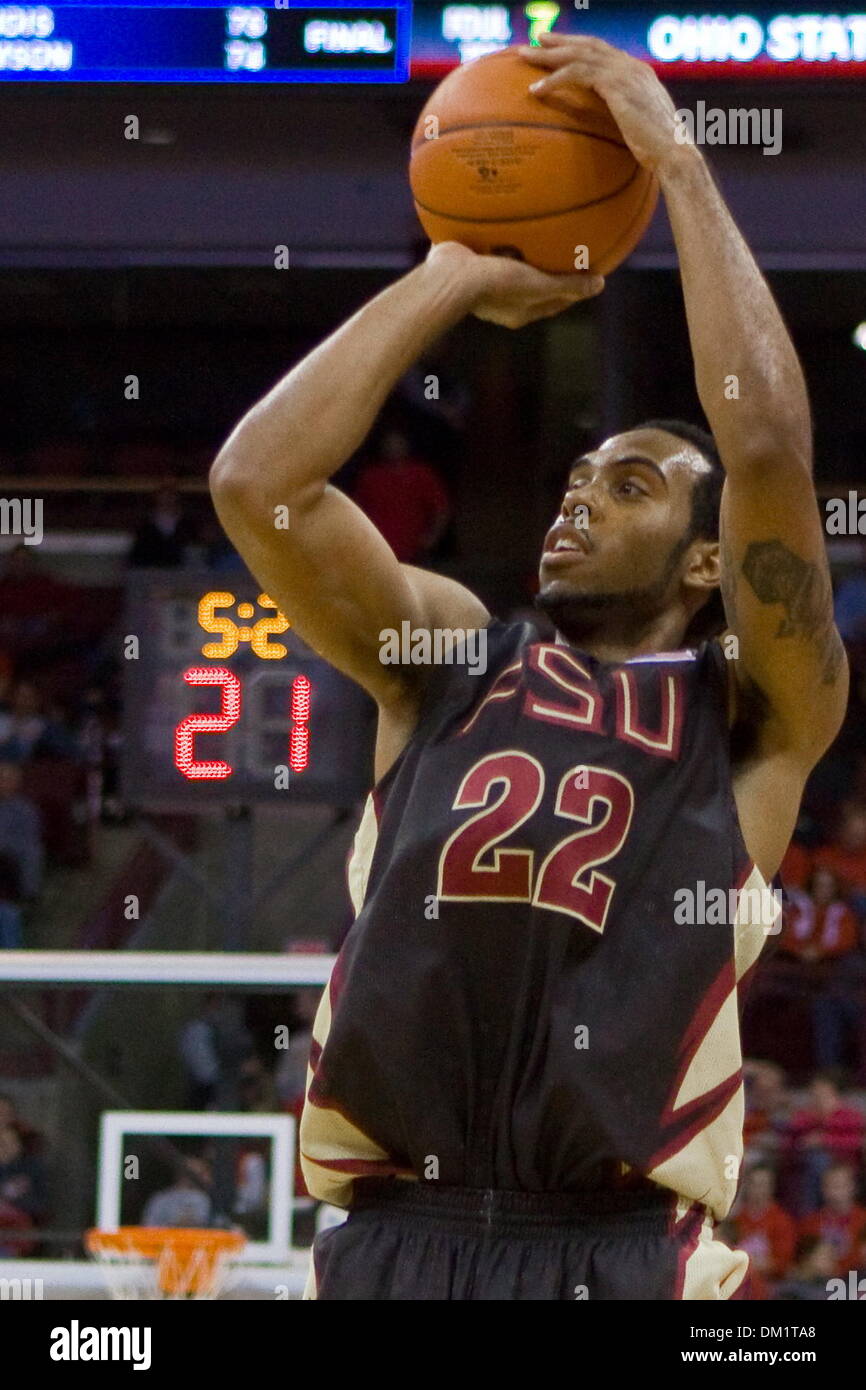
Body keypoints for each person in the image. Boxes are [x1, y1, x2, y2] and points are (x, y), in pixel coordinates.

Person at [209, 34, 848, 1302]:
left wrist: (674, 162)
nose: (576, 505)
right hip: (390, 1235)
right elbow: (256, 484)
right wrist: (447, 274)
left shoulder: (755, 714)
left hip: (612, 1254)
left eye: (625, 487)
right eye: (571, 480)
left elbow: (767, 442)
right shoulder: (443, 657)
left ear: (708, 563)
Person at [785, 1071, 865, 1213]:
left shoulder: (850, 1116)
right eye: (814, 1094)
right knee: (814, 1161)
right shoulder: (804, 1117)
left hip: (848, 1166)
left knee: (819, 1161)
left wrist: (825, 1140)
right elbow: (790, 1143)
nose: (818, 1098)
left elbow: (858, 1142)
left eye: (823, 1093)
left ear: (836, 1095)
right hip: (809, 1167)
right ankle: (809, 1219)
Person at [728, 1164, 796, 1287]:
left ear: (772, 1188)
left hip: (771, 1285)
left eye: (763, 1184)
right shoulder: (736, 1219)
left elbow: (782, 1264)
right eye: (753, 1184)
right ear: (746, 1186)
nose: (758, 1189)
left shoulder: (782, 1221)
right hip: (738, 1283)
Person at [798, 1164, 866, 1277]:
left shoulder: (863, 1220)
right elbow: (802, 1262)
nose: (836, 1192)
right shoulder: (810, 1223)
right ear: (823, 1189)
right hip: (819, 1284)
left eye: (841, 1185)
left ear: (852, 1187)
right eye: (831, 1186)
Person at [141, 1157, 213, 1229]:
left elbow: (218, 1227)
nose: (204, 1176)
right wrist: (174, 1226)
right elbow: (148, 1229)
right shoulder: (161, 1200)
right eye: (193, 1173)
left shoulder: (207, 1200)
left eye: (202, 1172)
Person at [773, 1234, 838, 1301]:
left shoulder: (833, 1287)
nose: (832, 1261)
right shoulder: (788, 1289)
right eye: (825, 1256)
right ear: (807, 1258)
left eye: (832, 1256)